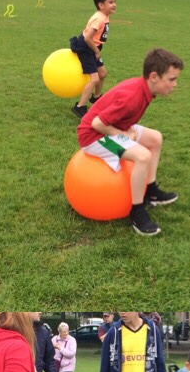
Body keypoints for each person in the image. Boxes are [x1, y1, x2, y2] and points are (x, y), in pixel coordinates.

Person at [74, 48, 183, 238]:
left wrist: (126, 131)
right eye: (172, 79)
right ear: (154, 77)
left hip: (113, 128)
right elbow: (97, 124)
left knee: (155, 138)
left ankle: (151, 191)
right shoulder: (132, 96)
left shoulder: (144, 88)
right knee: (142, 156)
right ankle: (137, 211)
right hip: (93, 138)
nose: (175, 84)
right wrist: (123, 134)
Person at [69, 0, 116, 114]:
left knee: (103, 73)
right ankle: (80, 107)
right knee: (94, 79)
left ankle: (96, 97)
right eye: (110, 2)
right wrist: (96, 51)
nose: (114, 5)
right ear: (101, 5)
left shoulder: (104, 16)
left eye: (114, 2)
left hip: (93, 47)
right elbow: (88, 38)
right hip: (86, 48)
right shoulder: (99, 18)